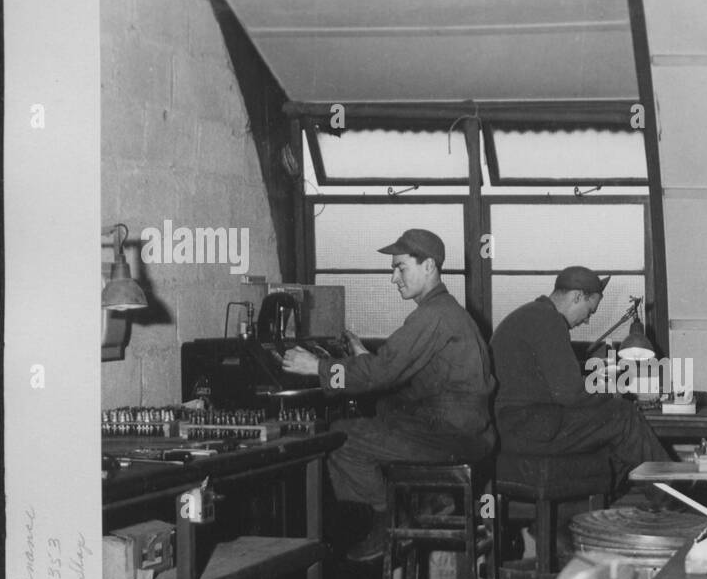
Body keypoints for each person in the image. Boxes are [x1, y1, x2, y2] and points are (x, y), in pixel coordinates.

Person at [282, 229, 495, 560]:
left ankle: (387, 521)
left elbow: (383, 371)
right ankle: (426, 502)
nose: (394, 278)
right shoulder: (447, 311)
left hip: (453, 437)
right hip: (466, 434)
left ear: (429, 267)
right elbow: (397, 373)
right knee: (383, 410)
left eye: (401, 267)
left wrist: (318, 368)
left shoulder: (433, 315)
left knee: (341, 437)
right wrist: (364, 358)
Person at [490, 265, 666, 491]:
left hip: (514, 426)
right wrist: (611, 394)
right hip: (531, 427)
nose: (586, 321)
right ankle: (679, 500)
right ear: (576, 297)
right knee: (624, 416)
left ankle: (567, 519)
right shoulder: (548, 320)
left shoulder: (530, 315)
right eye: (589, 311)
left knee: (615, 438)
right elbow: (570, 394)